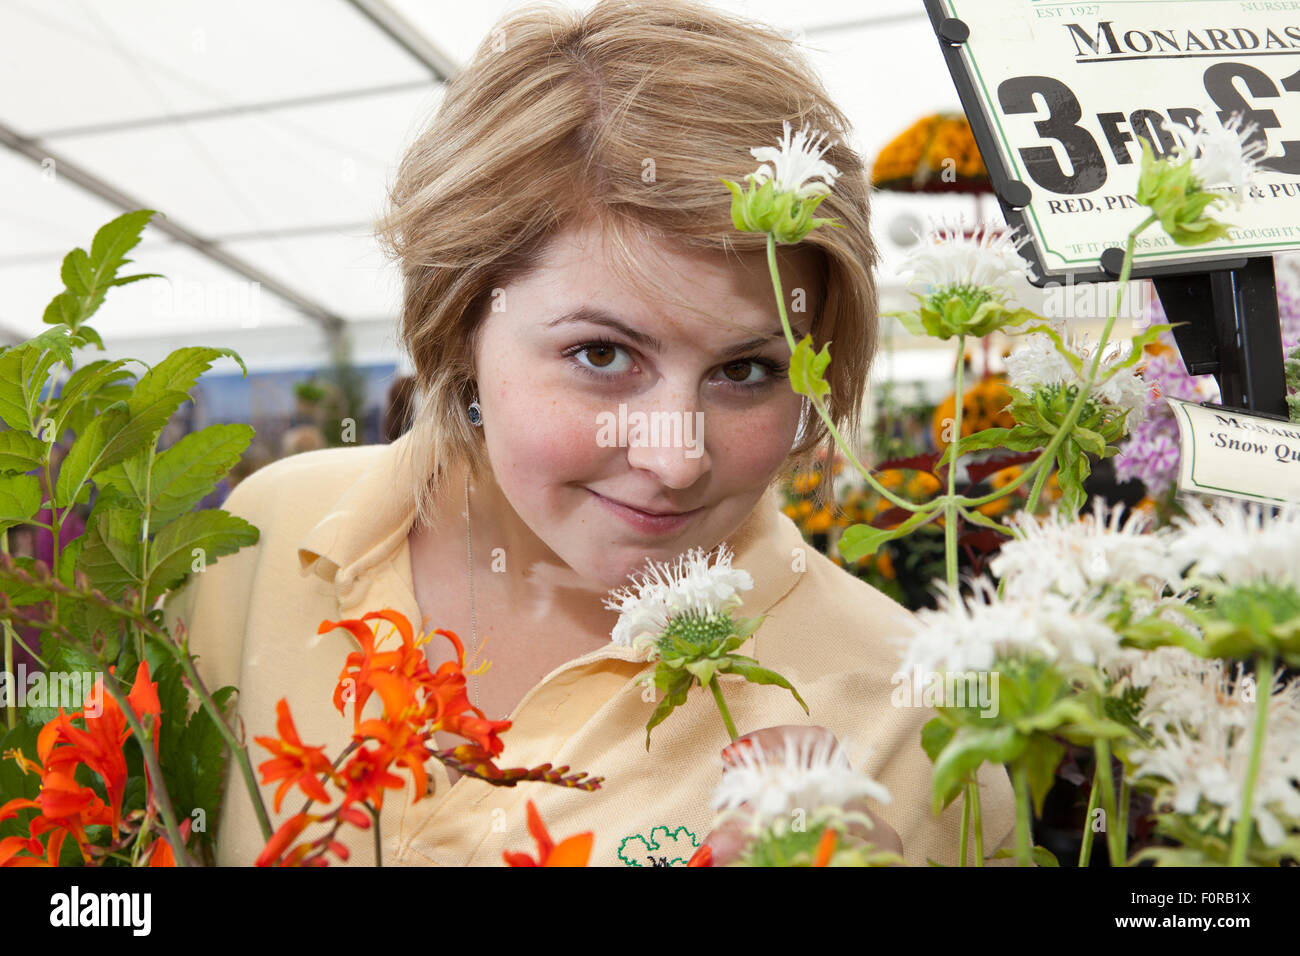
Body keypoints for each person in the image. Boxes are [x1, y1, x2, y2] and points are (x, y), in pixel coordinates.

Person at [164, 0, 1015, 867]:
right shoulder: (262, 540)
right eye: (602, 354)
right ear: (460, 319)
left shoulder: (911, 719)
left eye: (747, 370)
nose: (676, 459)